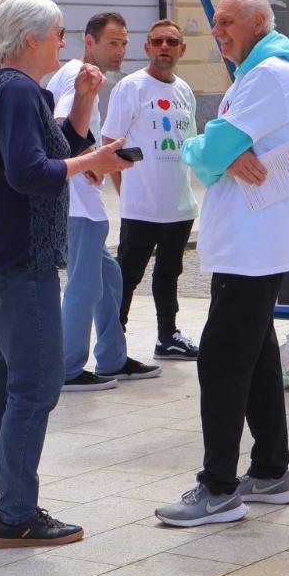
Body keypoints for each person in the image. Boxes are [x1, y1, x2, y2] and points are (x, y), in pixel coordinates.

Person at [0, 0, 132, 546]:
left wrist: (80, 106)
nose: (63, 41)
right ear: (31, 39)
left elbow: (51, 146)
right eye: (57, 32)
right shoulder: (17, 93)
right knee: (34, 387)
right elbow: (31, 172)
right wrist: (94, 162)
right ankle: (17, 516)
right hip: (18, 257)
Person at [156, 0, 289, 527]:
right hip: (250, 243)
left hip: (253, 245)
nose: (216, 31)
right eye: (217, 21)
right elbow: (221, 145)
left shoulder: (268, 75)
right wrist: (219, 147)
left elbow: (210, 147)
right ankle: (271, 470)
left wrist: (210, 149)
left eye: (226, 22)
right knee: (259, 359)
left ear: (258, 22)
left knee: (221, 361)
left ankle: (218, 488)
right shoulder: (260, 74)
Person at [46, 13, 161, 391]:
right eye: (112, 42)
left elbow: (66, 134)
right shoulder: (83, 77)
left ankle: (113, 358)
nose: (120, 50)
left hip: (82, 203)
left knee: (109, 278)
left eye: (124, 42)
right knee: (84, 286)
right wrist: (92, 159)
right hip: (78, 206)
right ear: (89, 42)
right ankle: (66, 369)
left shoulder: (74, 73)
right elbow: (63, 127)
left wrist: (92, 154)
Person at [101, 19, 201, 362]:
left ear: (181, 49)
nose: (164, 47)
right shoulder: (131, 87)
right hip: (140, 207)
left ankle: (167, 336)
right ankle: (113, 341)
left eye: (171, 42)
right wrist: (127, 192)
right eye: (157, 41)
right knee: (126, 275)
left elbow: (190, 146)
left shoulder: (185, 90)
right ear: (146, 48)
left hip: (179, 205)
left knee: (169, 274)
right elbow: (110, 145)